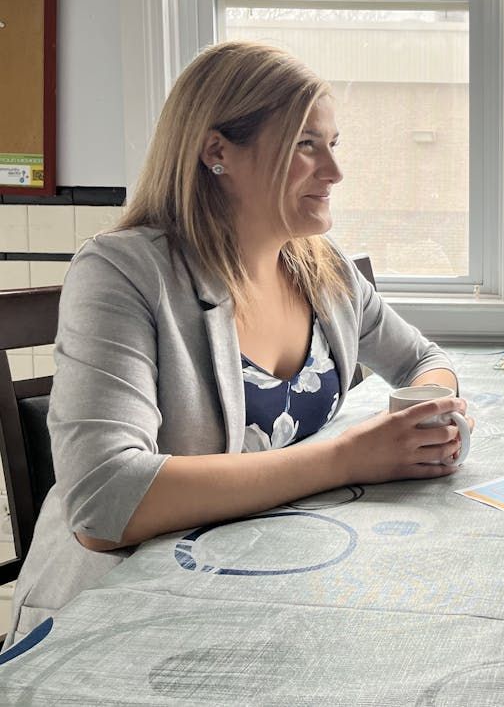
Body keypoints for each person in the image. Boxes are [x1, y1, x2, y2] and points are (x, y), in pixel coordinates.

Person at [7, 41, 471, 646]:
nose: (334, 172)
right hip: (121, 620)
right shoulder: (121, 274)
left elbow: (423, 361)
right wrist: (350, 458)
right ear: (217, 152)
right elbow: (103, 502)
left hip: (278, 588)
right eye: (305, 145)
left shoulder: (324, 268)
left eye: (333, 143)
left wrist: (425, 421)